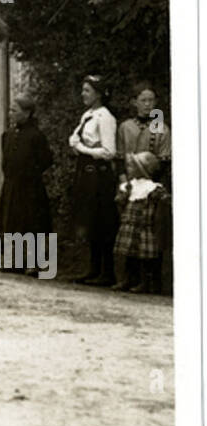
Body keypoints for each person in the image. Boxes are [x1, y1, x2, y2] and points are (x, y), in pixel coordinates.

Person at [69, 74, 119, 286]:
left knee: (102, 222)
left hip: (100, 175)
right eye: (83, 89)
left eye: (87, 90)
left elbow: (109, 151)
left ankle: (107, 273)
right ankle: (93, 268)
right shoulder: (88, 115)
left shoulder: (105, 117)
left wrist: (81, 147)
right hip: (87, 173)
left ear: (99, 94)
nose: (83, 94)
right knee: (90, 220)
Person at [0, 95, 53, 270]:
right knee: (11, 222)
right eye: (10, 110)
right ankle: (14, 261)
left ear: (27, 113)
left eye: (14, 110)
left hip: (30, 187)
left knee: (31, 223)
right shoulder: (7, 135)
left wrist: (30, 174)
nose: (10, 113)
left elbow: (45, 160)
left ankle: (34, 263)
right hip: (11, 185)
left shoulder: (36, 136)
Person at [113, 151, 169, 294]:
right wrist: (121, 199)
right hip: (130, 224)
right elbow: (121, 200)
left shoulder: (153, 188)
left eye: (132, 167)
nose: (129, 169)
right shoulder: (130, 186)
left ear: (142, 169)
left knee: (144, 257)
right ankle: (128, 279)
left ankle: (145, 282)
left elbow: (162, 202)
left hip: (145, 225)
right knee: (129, 254)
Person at [117, 82, 171, 191]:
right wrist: (124, 182)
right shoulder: (125, 127)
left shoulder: (160, 127)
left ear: (155, 102)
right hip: (129, 183)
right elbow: (119, 158)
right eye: (143, 100)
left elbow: (164, 160)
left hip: (153, 183)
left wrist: (151, 185)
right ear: (134, 102)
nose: (147, 104)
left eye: (150, 100)